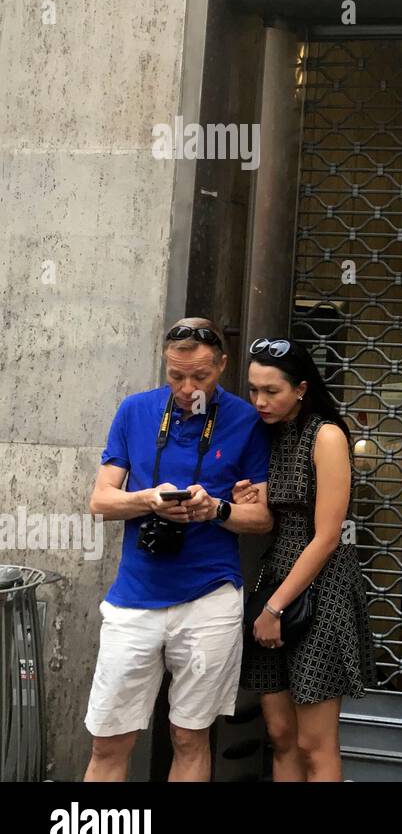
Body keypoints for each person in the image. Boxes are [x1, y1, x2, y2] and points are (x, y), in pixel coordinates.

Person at [84, 319, 273, 782]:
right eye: (176, 376)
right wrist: (147, 499)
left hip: (209, 599)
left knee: (190, 736)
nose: (187, 388)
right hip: (134, 599)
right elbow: (100, 501)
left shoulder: (247, 421)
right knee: (109, 739)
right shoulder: (134, 410)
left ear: (223, 367)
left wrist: (216, 509)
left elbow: (263, 517)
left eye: (201, 377)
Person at [238, 337, 378, 782]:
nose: (259, 400)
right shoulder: (269, 434)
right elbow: (275, 504)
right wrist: (249, 497)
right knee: (280, 735)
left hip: (322, 590)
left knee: (313, 744)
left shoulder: (328, 436)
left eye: (271, 391)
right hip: (276, 573)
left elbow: (328, 536)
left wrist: (274, 608)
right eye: (253, 390)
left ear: (301, 388)